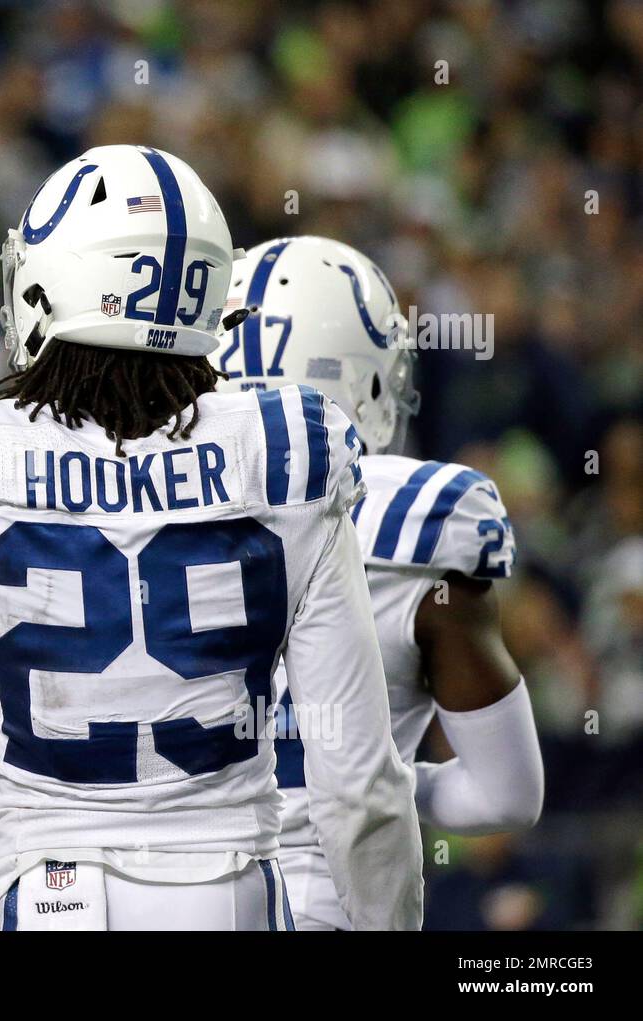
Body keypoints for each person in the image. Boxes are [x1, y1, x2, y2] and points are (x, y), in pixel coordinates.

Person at [0, 146, 422, 930]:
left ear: (44, 285)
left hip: (46, 897)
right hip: (237, 899)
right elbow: (360, 787)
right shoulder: (288, 450)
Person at [216, 235, 543, 930]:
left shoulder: (122, 496)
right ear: (358, 372)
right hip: (321, 903)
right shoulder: (421, 519)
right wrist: (393, 780)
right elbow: (508, 794)